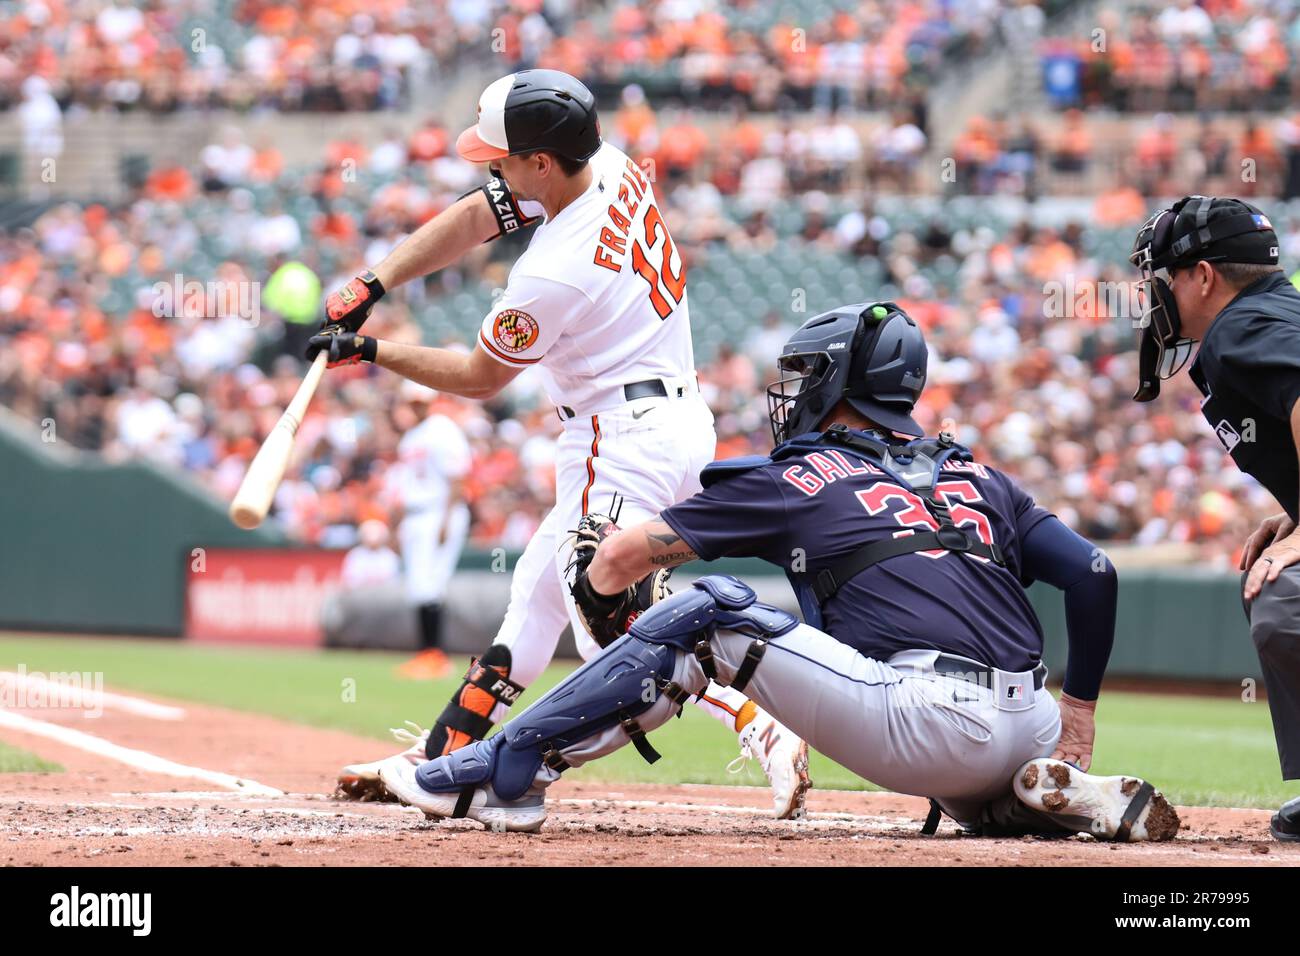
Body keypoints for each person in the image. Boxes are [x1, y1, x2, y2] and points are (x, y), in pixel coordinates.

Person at [375, 302, 1181, 842]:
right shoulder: (983, 478)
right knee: (975, 769)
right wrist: (1076, 715)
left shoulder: (796, 476)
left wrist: (607, 584)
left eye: (804, 378)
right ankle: (1026, 800)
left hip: (927, 721)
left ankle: (498, 774)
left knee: (710, 613)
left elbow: (617, 561)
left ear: (835, 384)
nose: (791, 394)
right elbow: (1096, 574)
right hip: (1033, 720)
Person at [316, 70, 810, 817]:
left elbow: (483, 376)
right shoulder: (604, 163)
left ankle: (760, 724)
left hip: (617, 437)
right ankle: (445, 755)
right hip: (666, 417)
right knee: (537, 600)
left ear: (542, 161)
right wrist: (378, 280)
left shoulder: (554, 271)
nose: (492, 168)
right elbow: (479, 216)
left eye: (503, 157)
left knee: (606, 628)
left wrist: (374, 351)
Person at [1128, 195, 1300, 842]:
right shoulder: (1271, 312)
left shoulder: (1239, 327)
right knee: (1274, 572)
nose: (1159, 292)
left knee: (1282, 597)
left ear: (1203, 276)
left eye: (1168, 274)